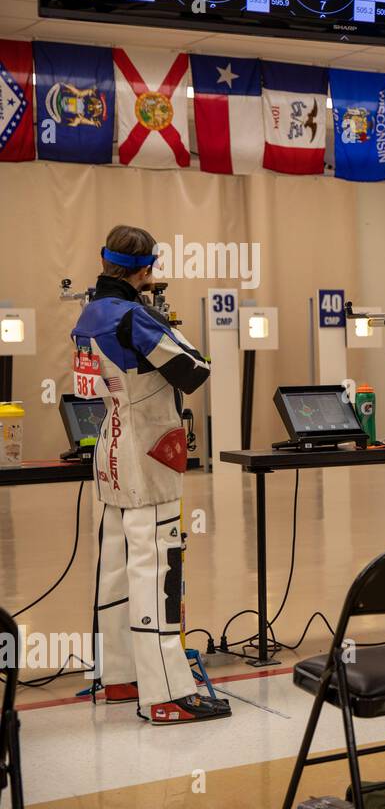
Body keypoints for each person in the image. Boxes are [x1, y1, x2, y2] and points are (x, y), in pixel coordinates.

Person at [74, 225, 229, 724]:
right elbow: (195, 370)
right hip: (150, 452)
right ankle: (164, 692)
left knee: (116, 566)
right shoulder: (133, 318)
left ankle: (119, 675)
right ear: (147, 269)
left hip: (112, 446)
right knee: (157, 567)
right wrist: (168, 328)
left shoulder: (88, 314)